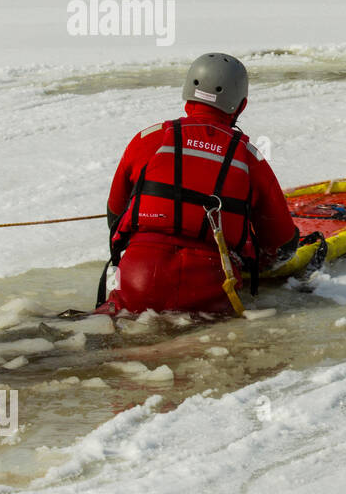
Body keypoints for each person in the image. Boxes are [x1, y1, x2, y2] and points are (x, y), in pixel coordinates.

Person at [99, 53, 299, 315]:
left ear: (187, 93)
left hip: (138, 278)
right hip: (211, 288)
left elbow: (116, 214)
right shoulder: (251, 158)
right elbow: (281, 243)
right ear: (241, 105)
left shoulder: (149, 138)